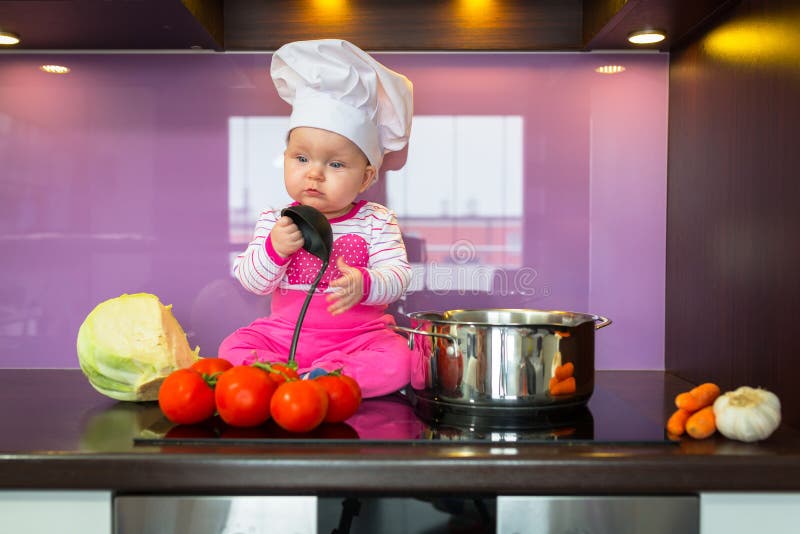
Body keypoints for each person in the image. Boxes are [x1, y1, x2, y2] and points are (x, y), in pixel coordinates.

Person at [218, 39, 419, 398]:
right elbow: (252, 281)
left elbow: (400, 278)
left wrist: (366, 283)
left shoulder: (377, 220)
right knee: (232, 348)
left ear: (366, 177)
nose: (314, 174)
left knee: (401, 359)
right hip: (283, 336)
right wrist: (274, 249)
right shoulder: (277, 220)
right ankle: (301, 379)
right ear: (286, 157)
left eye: (336, 164)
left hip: (359, 339)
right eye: (301, 158)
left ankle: (319, 379)